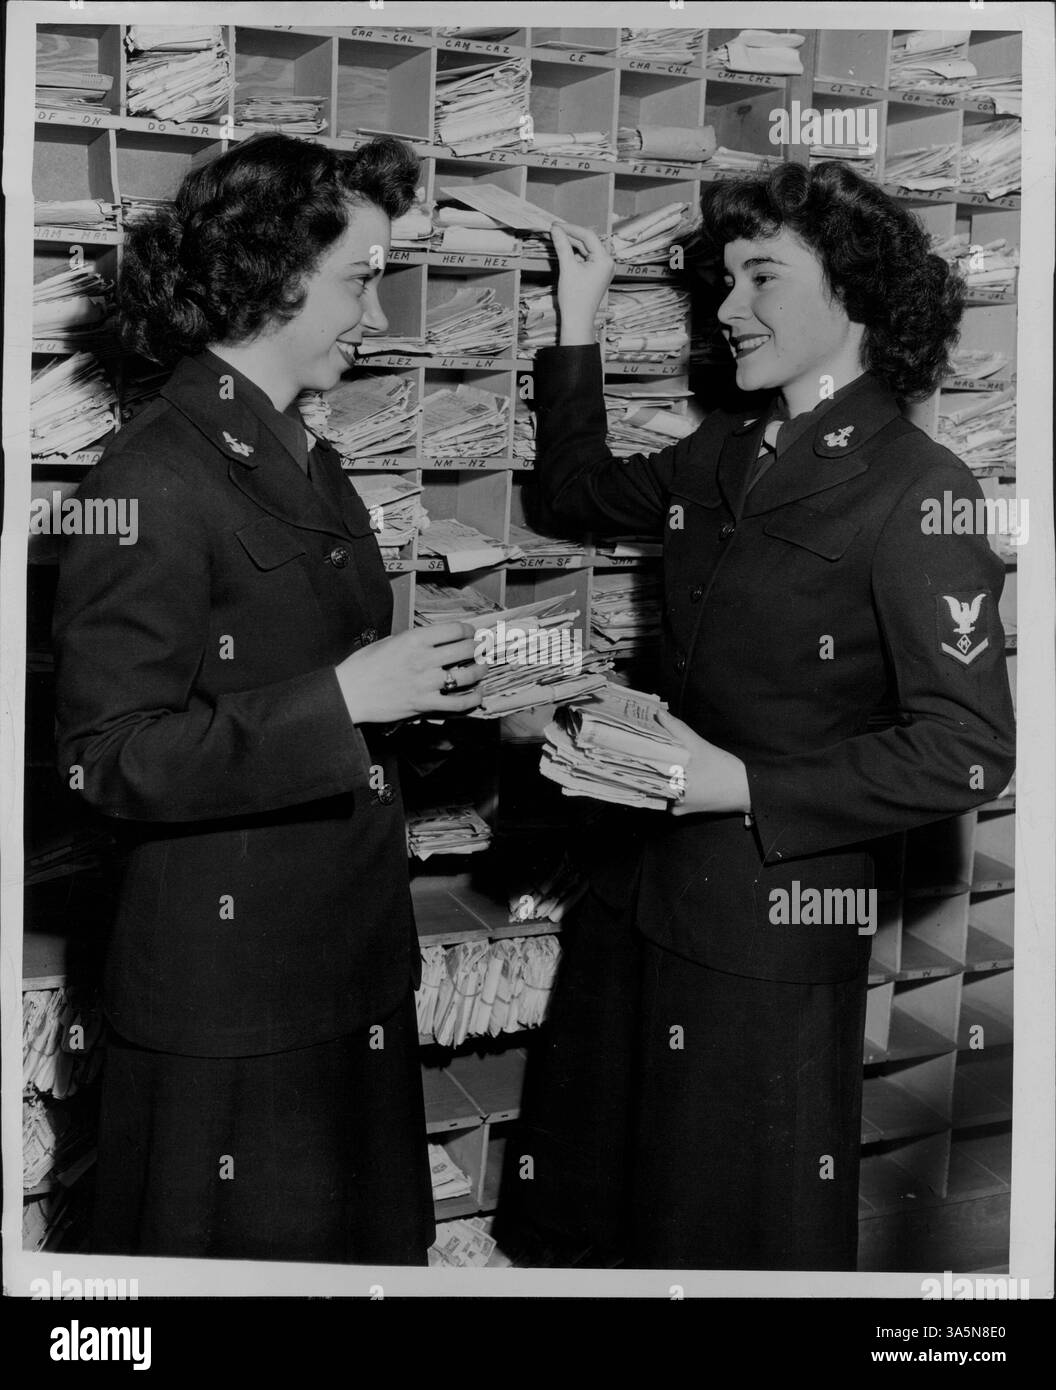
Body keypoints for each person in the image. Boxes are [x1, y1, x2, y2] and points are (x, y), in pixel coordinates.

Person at [516, 160, 1016, 1270]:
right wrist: (579, 312)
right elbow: (572, 494)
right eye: (723, 281)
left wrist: (739, 784)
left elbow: (972, 752)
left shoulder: (918, 488)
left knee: (731, 1228)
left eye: (762, 278)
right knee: (604, 1221)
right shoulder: (727, 449)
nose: (728, 309)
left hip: (769, 934)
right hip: (637, 893)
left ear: (861, 297)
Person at [52, 133, 486, 1264]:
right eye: (361, 281)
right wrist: (344, 699)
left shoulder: (305, 453)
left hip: (344, 966)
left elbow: (309, 692)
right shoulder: (149, 477)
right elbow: (108, 757)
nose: (378, 319)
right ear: (269, 275)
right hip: (228, 1008)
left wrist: (446, 704)